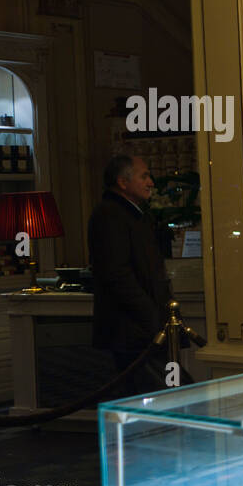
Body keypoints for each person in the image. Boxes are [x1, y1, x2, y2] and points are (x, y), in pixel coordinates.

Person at [88, 154, 173, 396]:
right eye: (144, 176)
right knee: (145, 393)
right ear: (122, 182)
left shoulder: (133, 215)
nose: (151, 182)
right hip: (132, 330)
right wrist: (150, 314)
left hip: (142, 328)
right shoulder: (110, 216)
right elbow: (117, 275)